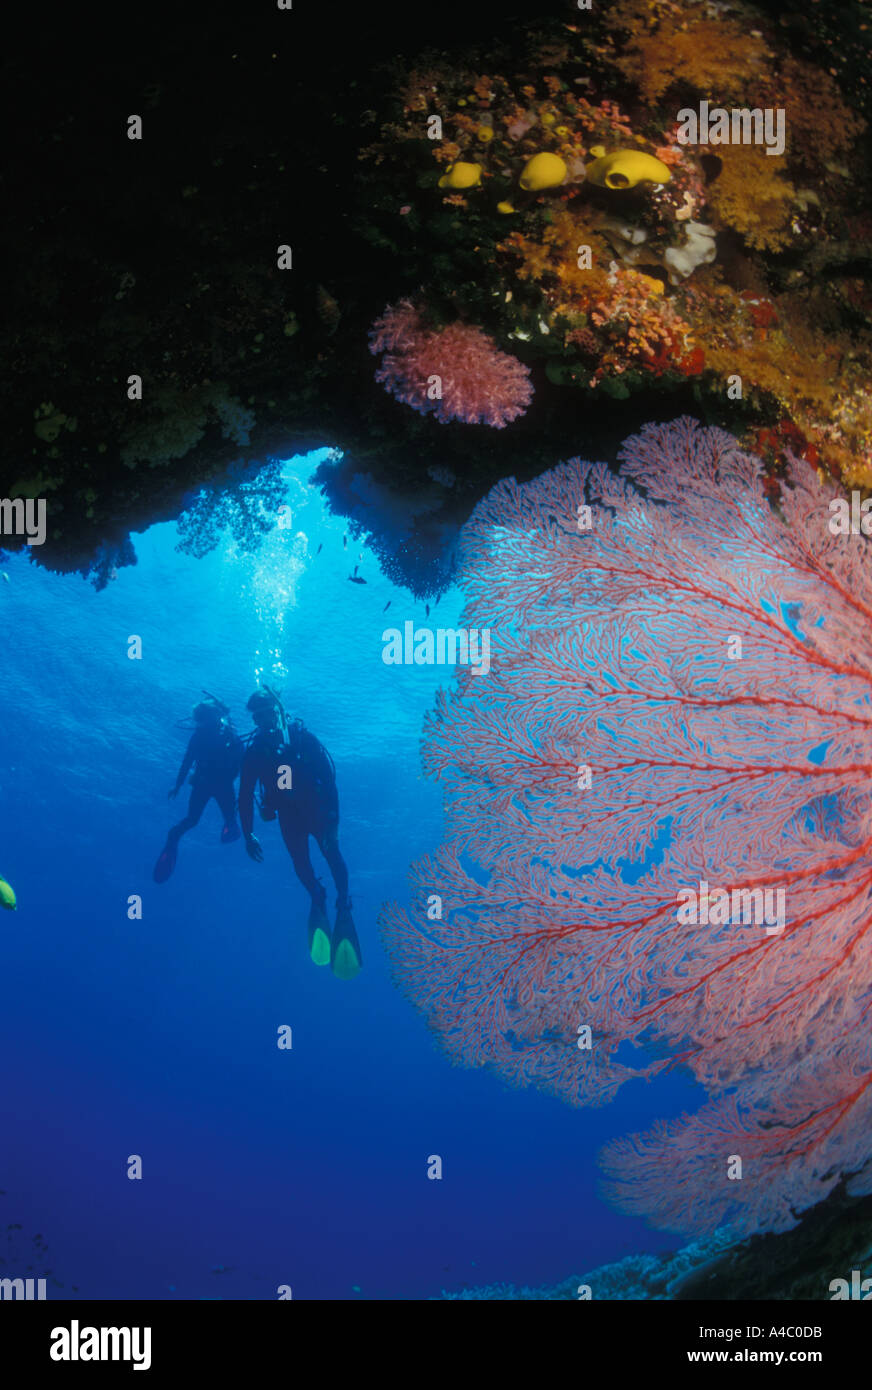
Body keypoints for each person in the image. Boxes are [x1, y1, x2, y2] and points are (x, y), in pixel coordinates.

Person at [239, 687, 361, 979]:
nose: (265, 720)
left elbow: (330, 781)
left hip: (317, 811)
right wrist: (248, 834)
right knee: (300, 863)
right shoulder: (255, 751)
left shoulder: (304, 738)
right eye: (258, 717)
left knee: (332, 854)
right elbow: (244, 795)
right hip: (288, 816)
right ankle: (317, 897)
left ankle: (343, 904)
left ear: (280, 711)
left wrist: (334, 822)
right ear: (254, 721)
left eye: (269, 712)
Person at [153, 695, 244, 884]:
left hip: (205, 783)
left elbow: (187, 762)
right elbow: (241, 762)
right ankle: (228, 827)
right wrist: (177, 785)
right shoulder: (225, 732)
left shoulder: (208, 735)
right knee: (228, 818)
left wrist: (178, 785)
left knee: (193, 820)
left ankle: (173, 838)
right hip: (221, 784)